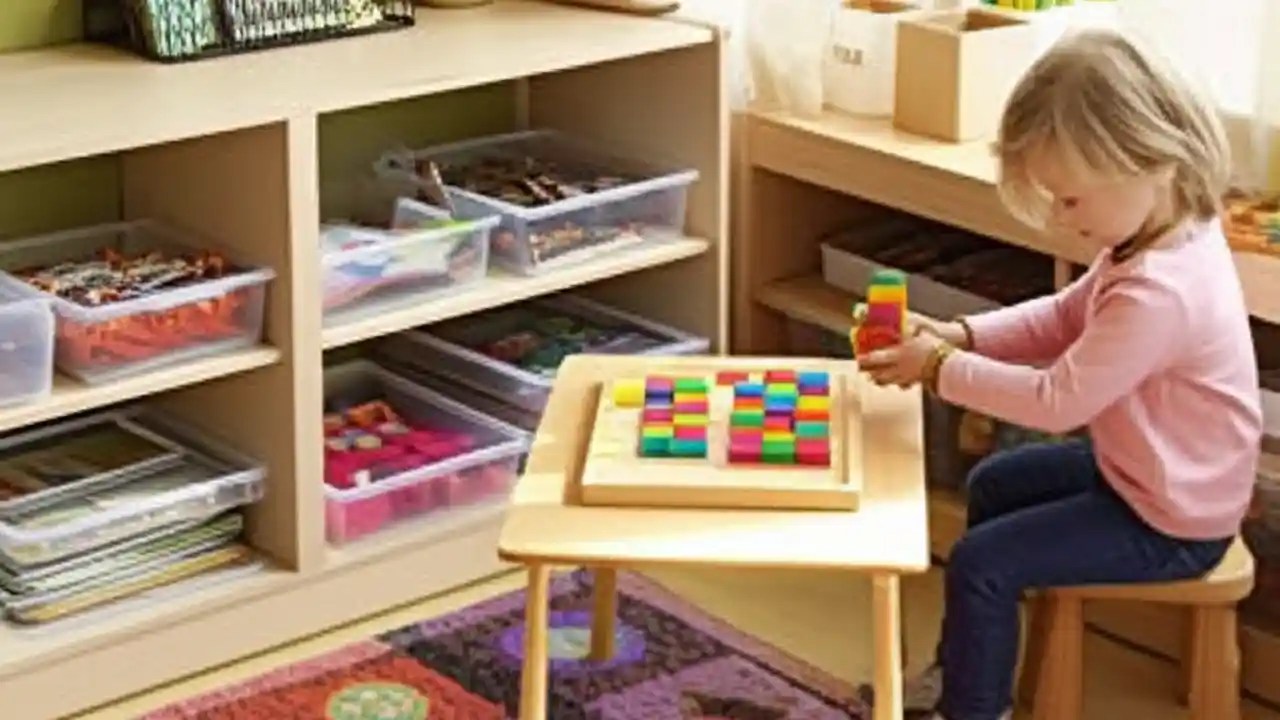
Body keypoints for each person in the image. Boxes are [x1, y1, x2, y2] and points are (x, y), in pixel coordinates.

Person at [855, 27, 1263, 720]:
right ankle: (965, 672)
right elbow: (1064, 315)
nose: (1059, 218)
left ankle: (972, 709)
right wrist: (960, 334)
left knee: (983, 562)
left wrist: (941, 368)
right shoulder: (1157, 238)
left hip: (1174, 520)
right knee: (992, 484)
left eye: (1069, 200)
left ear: (1149, 161)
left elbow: (1055, 402)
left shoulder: (1161, 292)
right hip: (1145, 474)